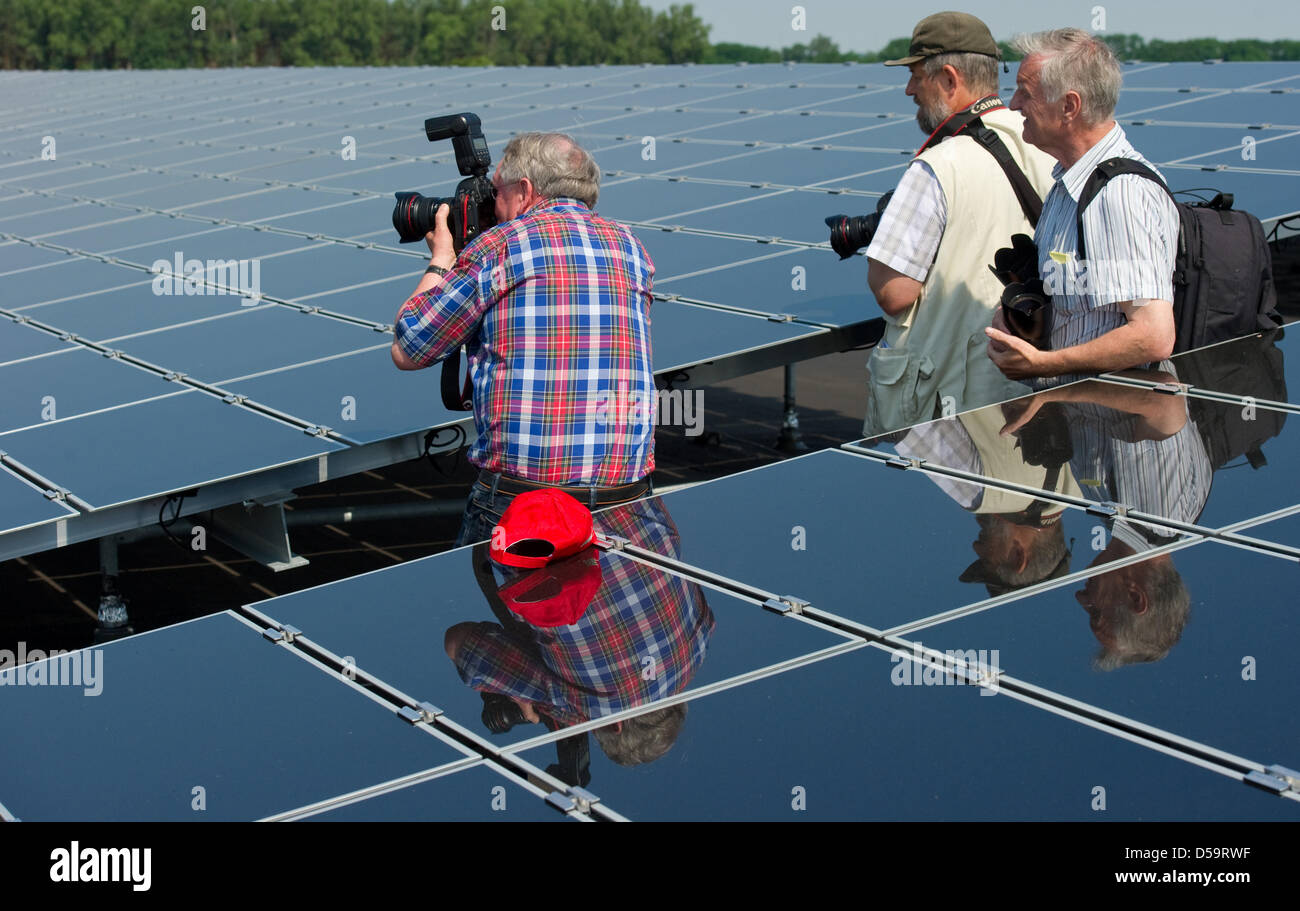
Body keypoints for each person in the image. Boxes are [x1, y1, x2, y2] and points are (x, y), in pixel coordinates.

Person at [391, 132, 656, 545]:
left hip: (525, 506)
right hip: (628, 500)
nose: (492, 206)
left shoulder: (499, 246)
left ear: (525, 190)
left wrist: (443, 260)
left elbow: (409, 349)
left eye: (496, 192)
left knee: (488, 607)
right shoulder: (630, 247)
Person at [857, 11, 1056, 436]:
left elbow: (895, 293)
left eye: (915, 76)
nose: (909, 89)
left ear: (949, 78)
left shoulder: (937, 166)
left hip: (954, 409)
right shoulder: (1050, 142)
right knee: (1028, 497)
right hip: (1042, 389)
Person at [987, 28, 1179, 384]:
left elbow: (1153, 336)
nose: (1013, 105)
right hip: (1088, 422)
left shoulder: (1120, 194)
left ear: (1069, 106)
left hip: (1126, 431)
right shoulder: (1068, 185)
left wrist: (1045, 364)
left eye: (1025, 94)